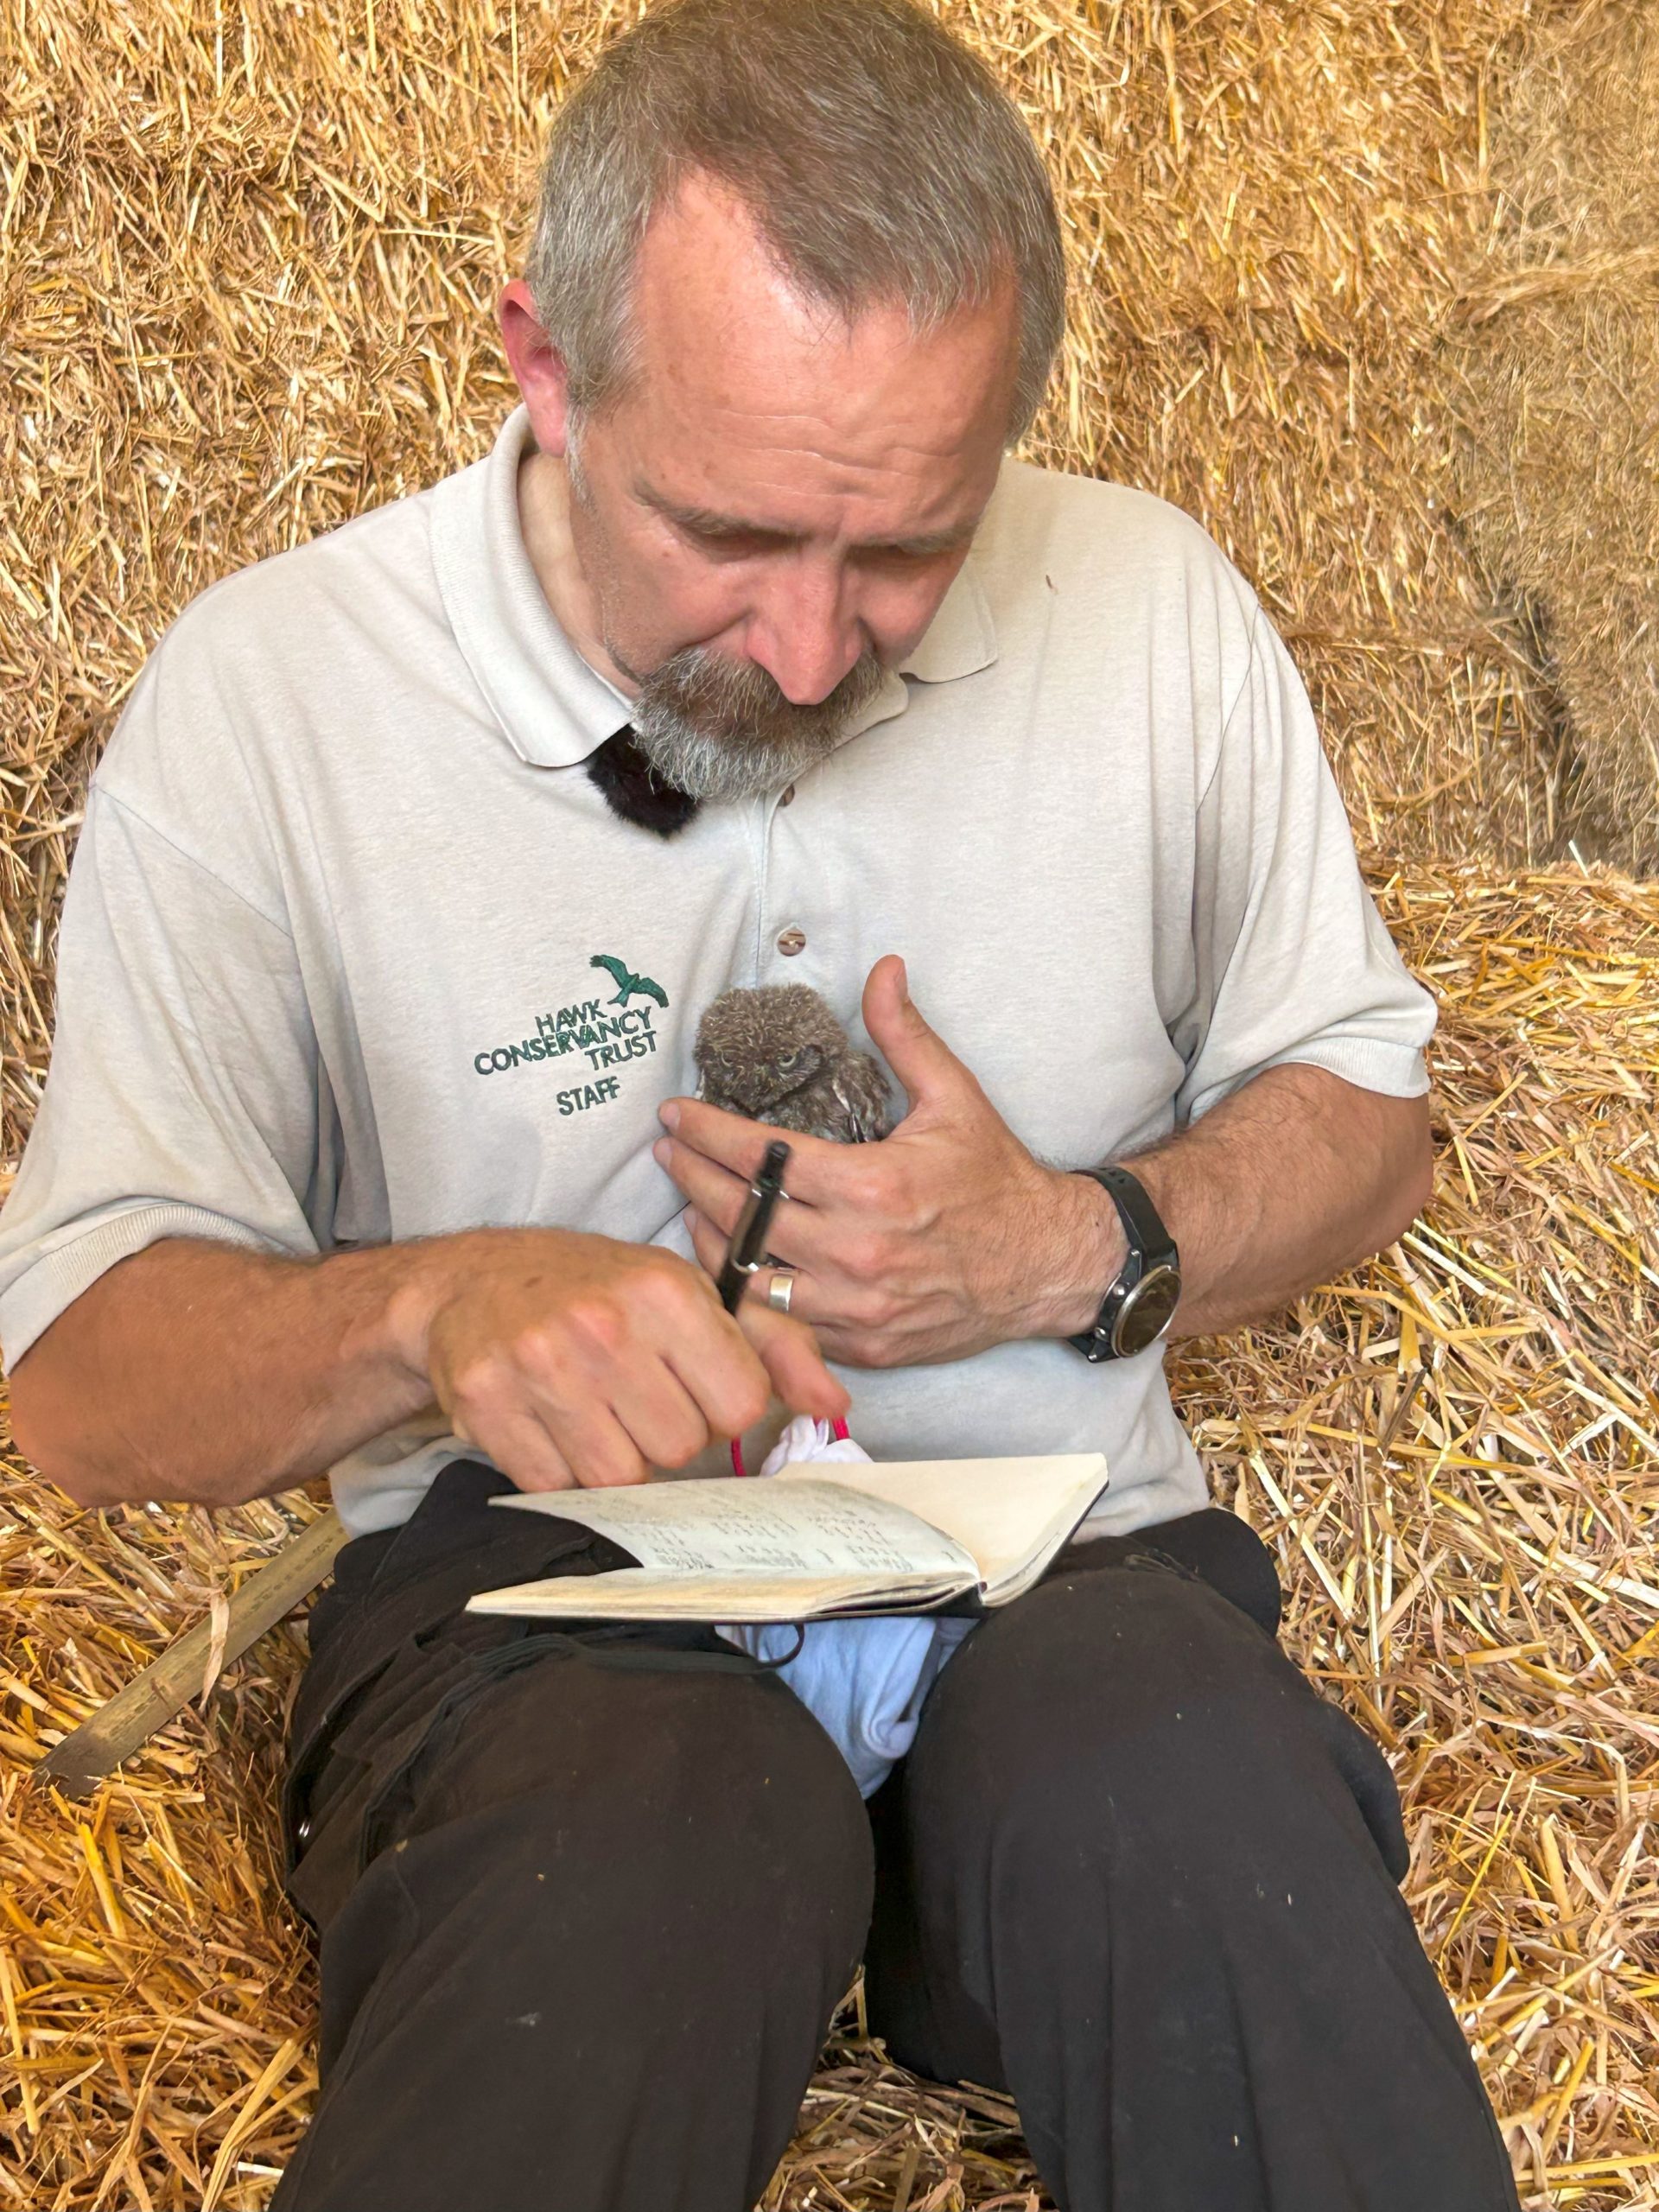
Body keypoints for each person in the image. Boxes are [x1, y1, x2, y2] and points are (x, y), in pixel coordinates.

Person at [0, 2, 1521, 2206]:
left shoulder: (1161, 607)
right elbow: (71, 1383)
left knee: (1191, 1796)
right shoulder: (275, 702)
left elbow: (1376, 1113)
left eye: (905, 545)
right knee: (642, 1856)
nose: (808, 653)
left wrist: (1079, 1240)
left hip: (1069, 1555)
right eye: (724, 530)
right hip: (538, 1613)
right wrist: (424, 1313)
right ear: (541, 361)